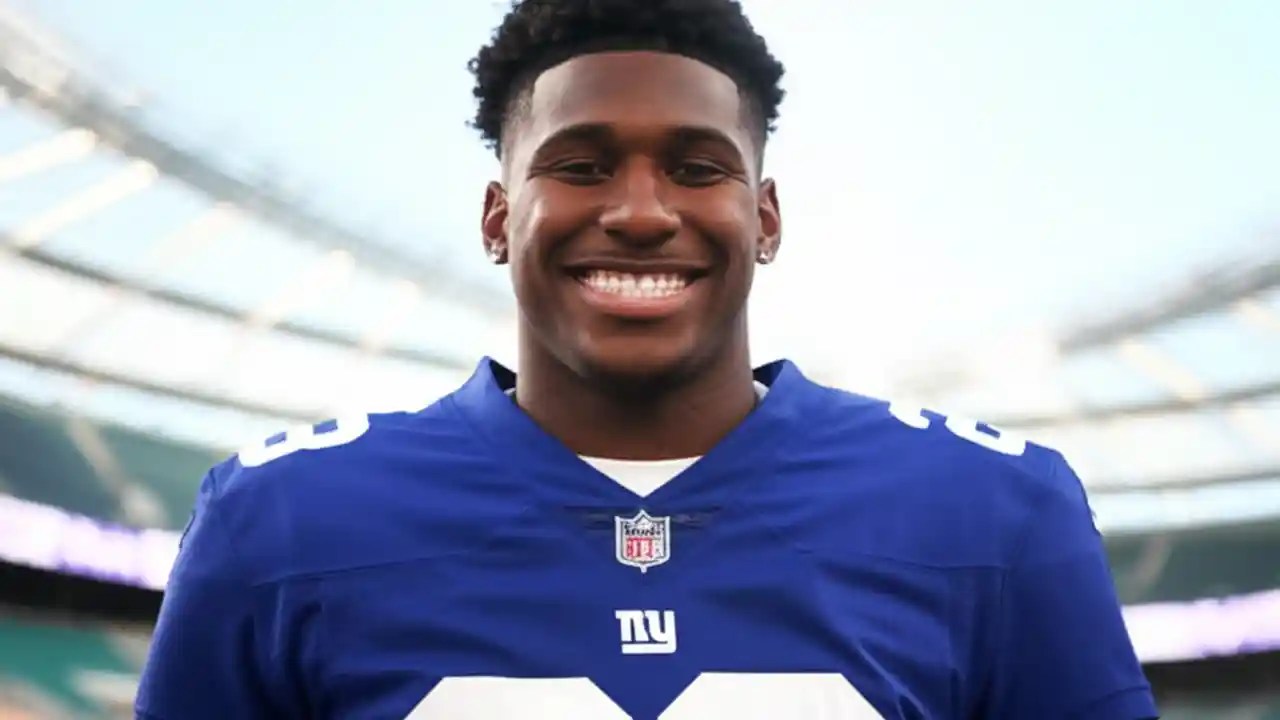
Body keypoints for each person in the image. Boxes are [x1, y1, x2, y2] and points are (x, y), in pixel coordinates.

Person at [135, 1, 1158, 718]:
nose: (637, 212)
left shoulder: (995, 513)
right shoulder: (279, 520)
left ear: (765, 218)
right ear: (497, 218)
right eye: (580, 166)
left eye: (696, 168)